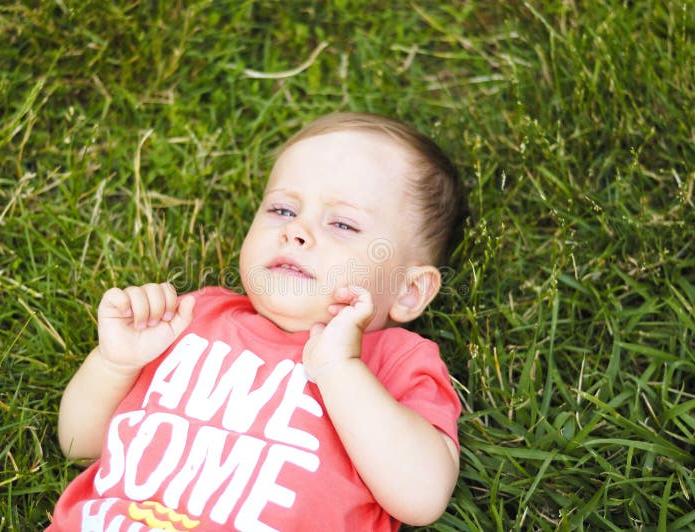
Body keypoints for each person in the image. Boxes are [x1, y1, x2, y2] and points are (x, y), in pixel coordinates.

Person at [47, 112, 467, 532]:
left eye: (342, 223)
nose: (296, 231)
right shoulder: (193, 318)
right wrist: (114, 364)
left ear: (408, 290)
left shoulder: (395, 362)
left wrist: (341, 370)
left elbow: (423, 496)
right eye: (282, 209)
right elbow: (79, 447)